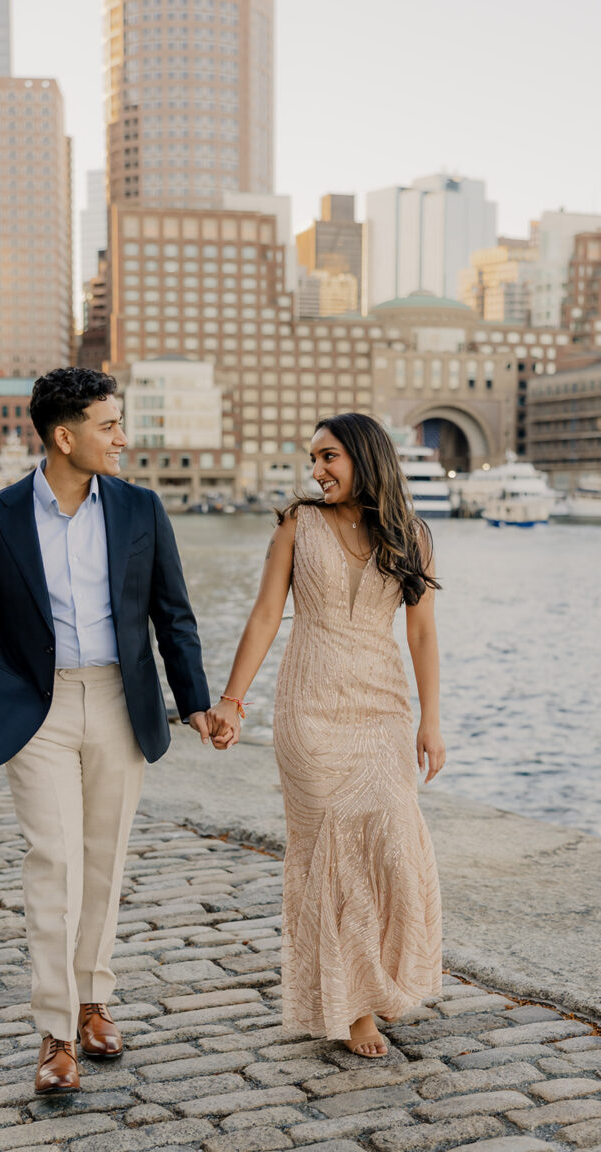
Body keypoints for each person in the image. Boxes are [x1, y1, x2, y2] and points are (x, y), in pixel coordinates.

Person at [0, 366, 227, 1094]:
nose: (122, 438)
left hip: (116, 701)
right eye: (109, 425)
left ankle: (94, 998)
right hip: (34, 710)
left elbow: (173, 613)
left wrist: (195, 701)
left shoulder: (140, 510)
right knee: (54, 864)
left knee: (103, 860)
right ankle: (55, 1032)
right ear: (63, 436)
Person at [207, 413, 445, 1058]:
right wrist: (232, 700)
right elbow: (264, 614)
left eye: (329, 456)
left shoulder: (411, 536)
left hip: (382, 707)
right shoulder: (296, 525)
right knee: (332, 855)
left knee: (393, 841)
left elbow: (421, 634)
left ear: (365, 458)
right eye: (313, 458)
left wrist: (432, 720)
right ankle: (355, 1007)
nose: (317, 470)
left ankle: (377, 977)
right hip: (309, 708)